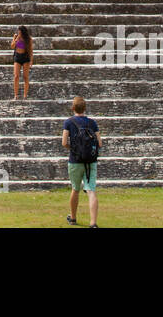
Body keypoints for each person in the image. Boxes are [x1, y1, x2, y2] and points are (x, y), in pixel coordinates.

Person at [62, 95, 102, 227]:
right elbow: (100, 143)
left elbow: (64, 142)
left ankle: (73, 218)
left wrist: (73, 148)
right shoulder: (92, 123)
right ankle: (93, 222)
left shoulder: (68, 122)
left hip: (75, 160)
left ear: (73, 108)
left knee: (75, 189)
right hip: (90, 161)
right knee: (91, 190)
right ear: (85, 108)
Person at [10, 25, 32, 99]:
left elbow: (30, 51)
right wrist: (16, 39)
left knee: (25, 77)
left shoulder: (28, 39)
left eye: (20, 32)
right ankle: (16, 95)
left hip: (25, 57)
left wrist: (31, 61)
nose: (19, 33)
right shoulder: (16, 37)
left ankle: (25, 95)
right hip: (17, 57)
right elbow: (12, 46)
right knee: (16, 76)